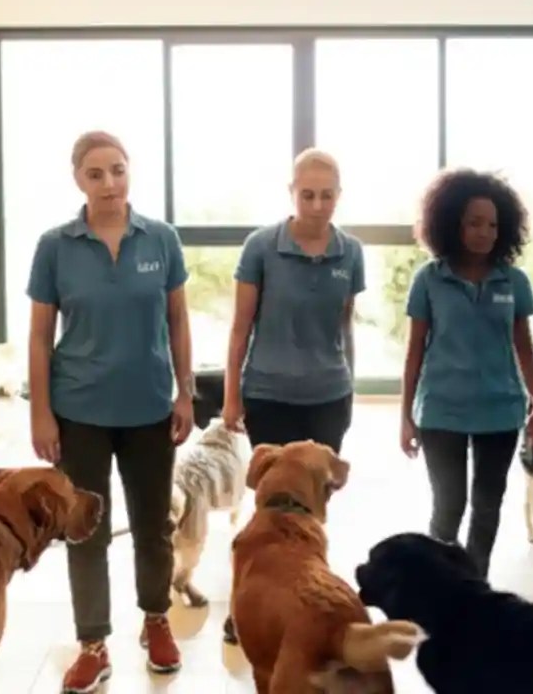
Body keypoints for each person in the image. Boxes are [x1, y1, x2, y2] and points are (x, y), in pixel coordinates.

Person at [26, 130, 194, 690]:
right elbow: (39, 336)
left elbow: (178, 321)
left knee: (153, 526)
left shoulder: (161, 239)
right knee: (85, 531)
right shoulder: (56, 245)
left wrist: (186, 392)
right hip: (79, 412)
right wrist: (41, 414)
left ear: (130, 173)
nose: (109, 183)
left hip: (149, 407)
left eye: (117, 170)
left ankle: (156, 620)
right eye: (95, 174)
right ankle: (93, 642)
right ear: (78, 179)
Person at [398, 167, 533, 579]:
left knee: (487, 505)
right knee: (448, 507)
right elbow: (413, 352)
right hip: (441, 410)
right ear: (452, 224)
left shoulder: (513, 281)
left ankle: (475, 586)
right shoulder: (429, 279)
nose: (484, 232)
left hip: (501, 411)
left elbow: (524, 346)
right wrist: (405, 415)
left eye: (493, 225)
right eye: (474, 222)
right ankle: (437, 585)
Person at [221, 147, 365, 454]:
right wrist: (231, 397)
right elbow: (239, 329)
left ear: (339, 194)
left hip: (329, 396)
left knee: (315, 497)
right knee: (275, 494)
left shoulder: (351, 252)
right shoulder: (260, 247)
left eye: (327, 196)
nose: (317, 206)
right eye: (307, 195)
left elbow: (345, 326)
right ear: (292, 192)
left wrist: (349, 387)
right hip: (268, 395)